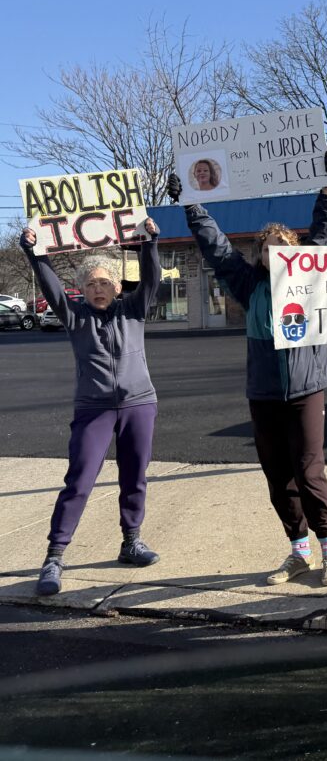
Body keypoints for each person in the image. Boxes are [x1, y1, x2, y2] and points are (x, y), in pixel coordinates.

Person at [167, 151, 327, 587]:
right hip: (264, 392)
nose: (277, 254)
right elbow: (217, 247)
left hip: (308, 388)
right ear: (260, 256)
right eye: (269, 249)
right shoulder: (248, 286)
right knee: (277, 473)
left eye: (285, 247)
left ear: (297, 253)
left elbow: (324, 236)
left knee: (309, 470)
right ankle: (298, 552)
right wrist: (191, 204)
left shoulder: (309, 280)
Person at [22, 218, 163, 597]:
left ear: (117, 287)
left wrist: (149, 242)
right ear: (81, 290)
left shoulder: (133, 310)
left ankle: (131, 541)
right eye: (91, 284)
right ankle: (54, 556)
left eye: (105, 283)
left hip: (139, 404)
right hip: (94, 409)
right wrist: (34, 251)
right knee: (80, 481)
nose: (98, 289)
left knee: (135, 476)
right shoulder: (75, 316)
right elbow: (51, 288)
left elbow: (151, 279)